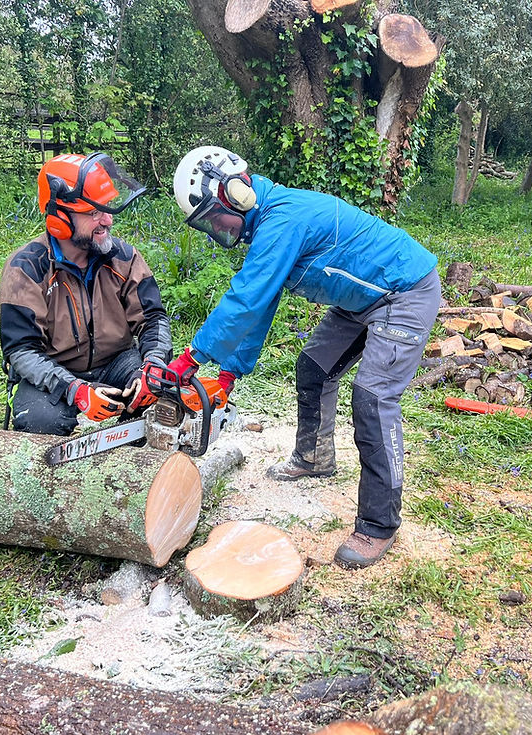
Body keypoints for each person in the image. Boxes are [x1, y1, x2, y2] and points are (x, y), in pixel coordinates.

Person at [168, 145, 441, 569]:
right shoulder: (268, 226)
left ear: (234, 194)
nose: (213, 229)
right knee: (313, 368)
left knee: (373, 397)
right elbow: (261, 304)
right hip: (359, 302)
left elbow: (246, 298)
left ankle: (378, 526)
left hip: (403, 292)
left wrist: (191, 359)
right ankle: (314, 458)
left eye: (212, 217)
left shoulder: (283, 218)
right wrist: (228, 374)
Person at [0, 152, 172, 435]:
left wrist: (152, 366)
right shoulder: (27, 268)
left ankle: (137, 458)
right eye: (93, 213)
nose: (107, 221)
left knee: (165, 392)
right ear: (59, 218)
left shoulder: (124, 258)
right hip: (54, 368)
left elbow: (153, 318)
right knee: (39, 421)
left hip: (117, 361)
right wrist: (75, 389)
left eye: (106, 209)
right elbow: (21, 350)